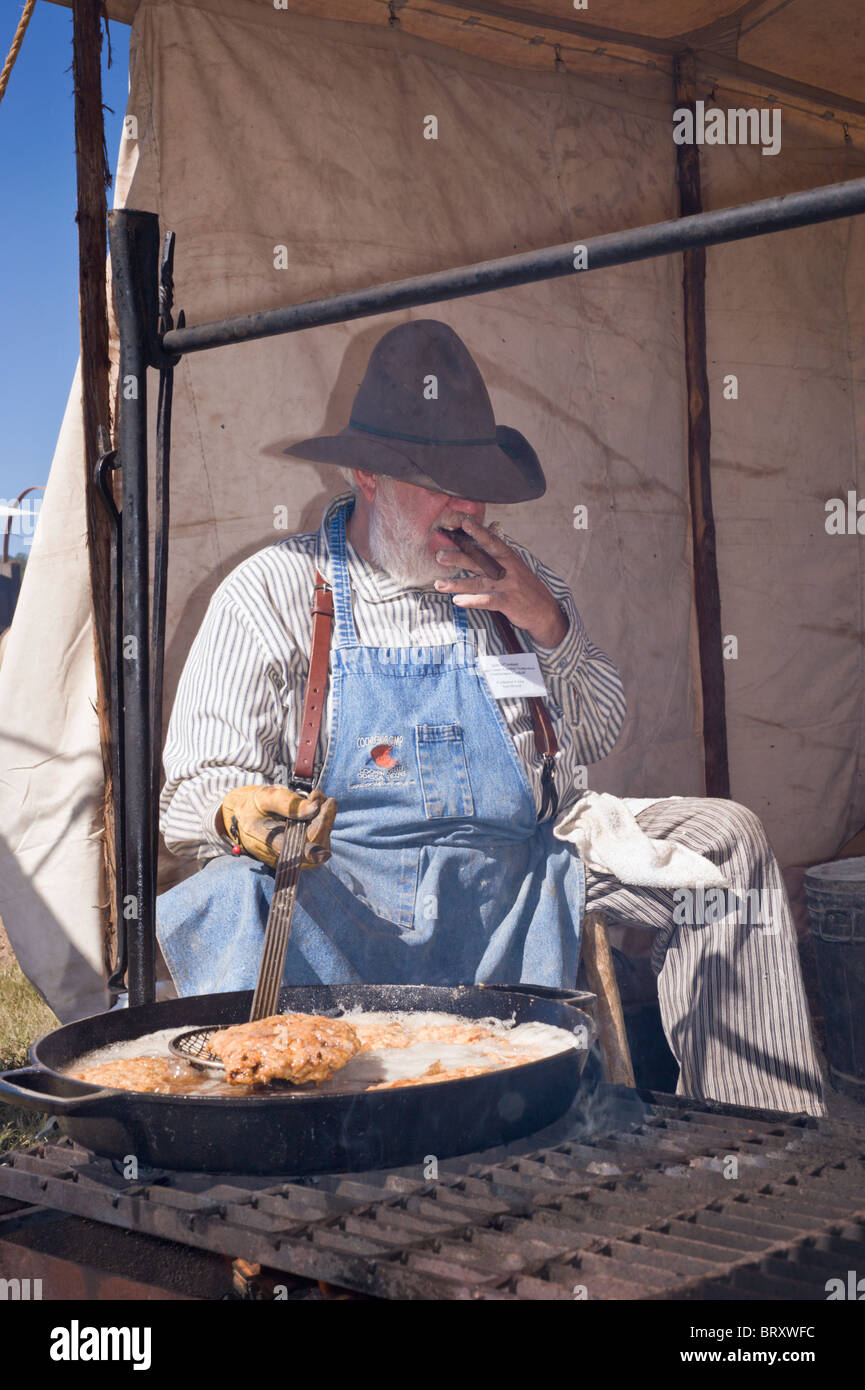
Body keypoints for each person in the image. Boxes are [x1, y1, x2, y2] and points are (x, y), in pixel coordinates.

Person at [157, 319, 824, 1116]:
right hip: (343, 893)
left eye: (475, 481)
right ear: (367, 474)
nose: (465, 503)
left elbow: (602, 736)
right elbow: (193, 789)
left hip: (516, 881)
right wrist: (236, 810)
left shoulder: (516, 580)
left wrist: (550, 626)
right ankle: (266, 1142)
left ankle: (758, 1133)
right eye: (439, 479)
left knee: (725, 844)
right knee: (228, 893)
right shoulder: (272, 590)